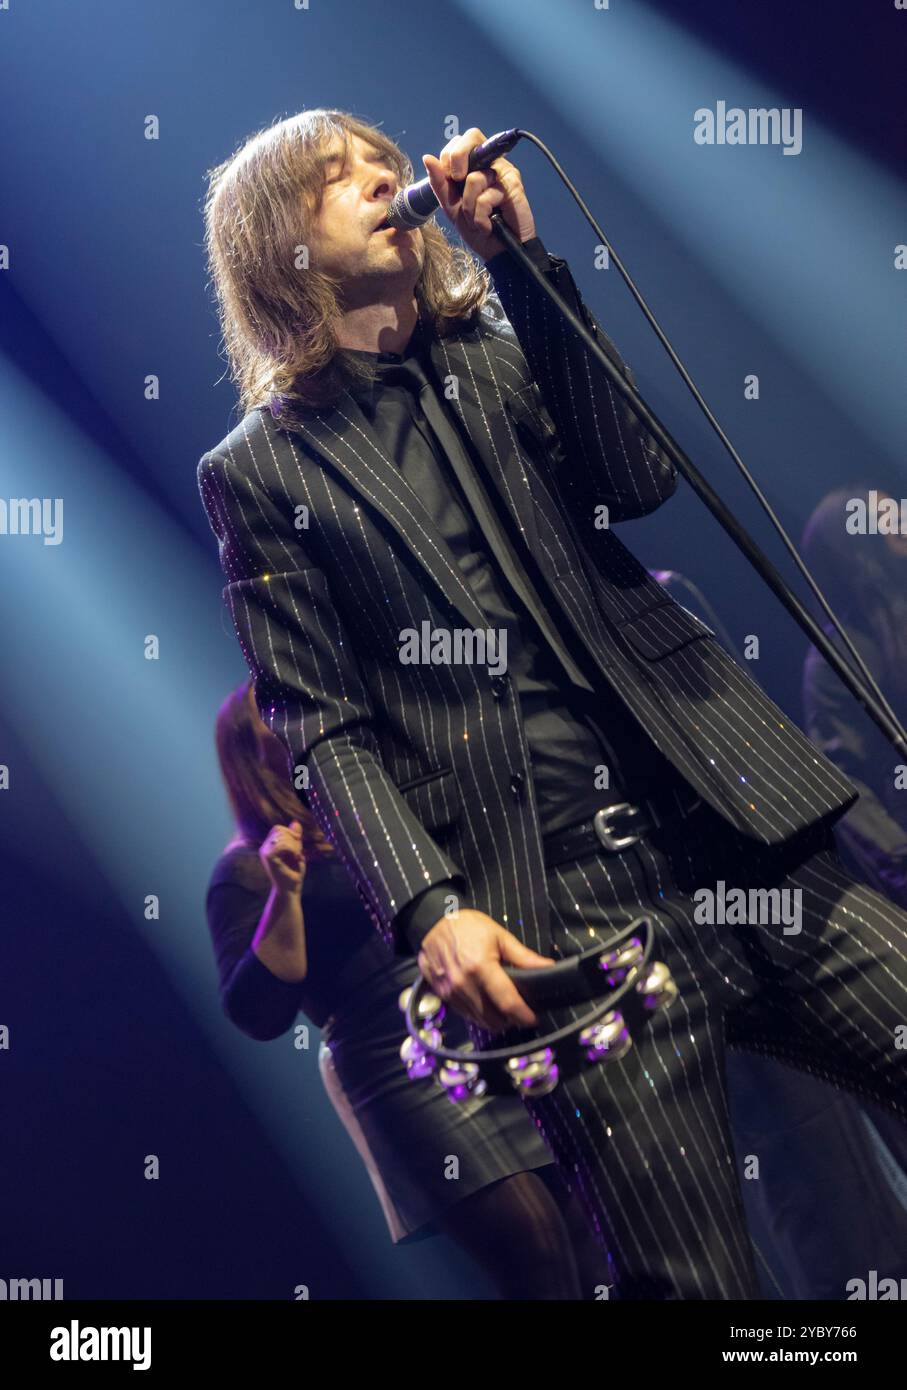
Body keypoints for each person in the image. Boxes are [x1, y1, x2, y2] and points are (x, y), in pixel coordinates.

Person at [197, 109, 907, 1299]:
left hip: (732, 832)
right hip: (564, 919)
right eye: (341, 180)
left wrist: (532, 274)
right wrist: (430, 910)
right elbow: (322, 723)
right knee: (693, 1283)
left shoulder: (501, 350)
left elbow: (635, 480)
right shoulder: (260, 472)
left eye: (386, 160)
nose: (384, 178)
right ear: (284, 249)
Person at [206, 677, 610, 1299]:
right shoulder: (245, 868)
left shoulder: (361, 815)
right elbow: (258, 1011)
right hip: (401, 1068)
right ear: (251, 750)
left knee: (592, 1241)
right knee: (536, 1251)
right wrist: (284, 893)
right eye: (277, 715)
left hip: (483, 1027)